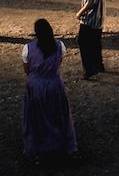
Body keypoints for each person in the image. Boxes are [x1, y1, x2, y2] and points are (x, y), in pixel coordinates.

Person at [21, 18, 78, 161]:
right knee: (58, 116)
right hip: (55, 84)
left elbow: (27, 70)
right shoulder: (60, 46)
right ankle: (61, 145)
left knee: (36, 117)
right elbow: (59, 62)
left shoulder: (28, 48)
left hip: (36, 86)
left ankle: (38, 148)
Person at [75, 0, 106, 79]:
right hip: (100, 16)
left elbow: (91, 2)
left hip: (90, 18)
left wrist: (79, 13)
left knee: (83, 42)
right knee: (96, 42)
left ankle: (89, 69)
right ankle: (99, 65)